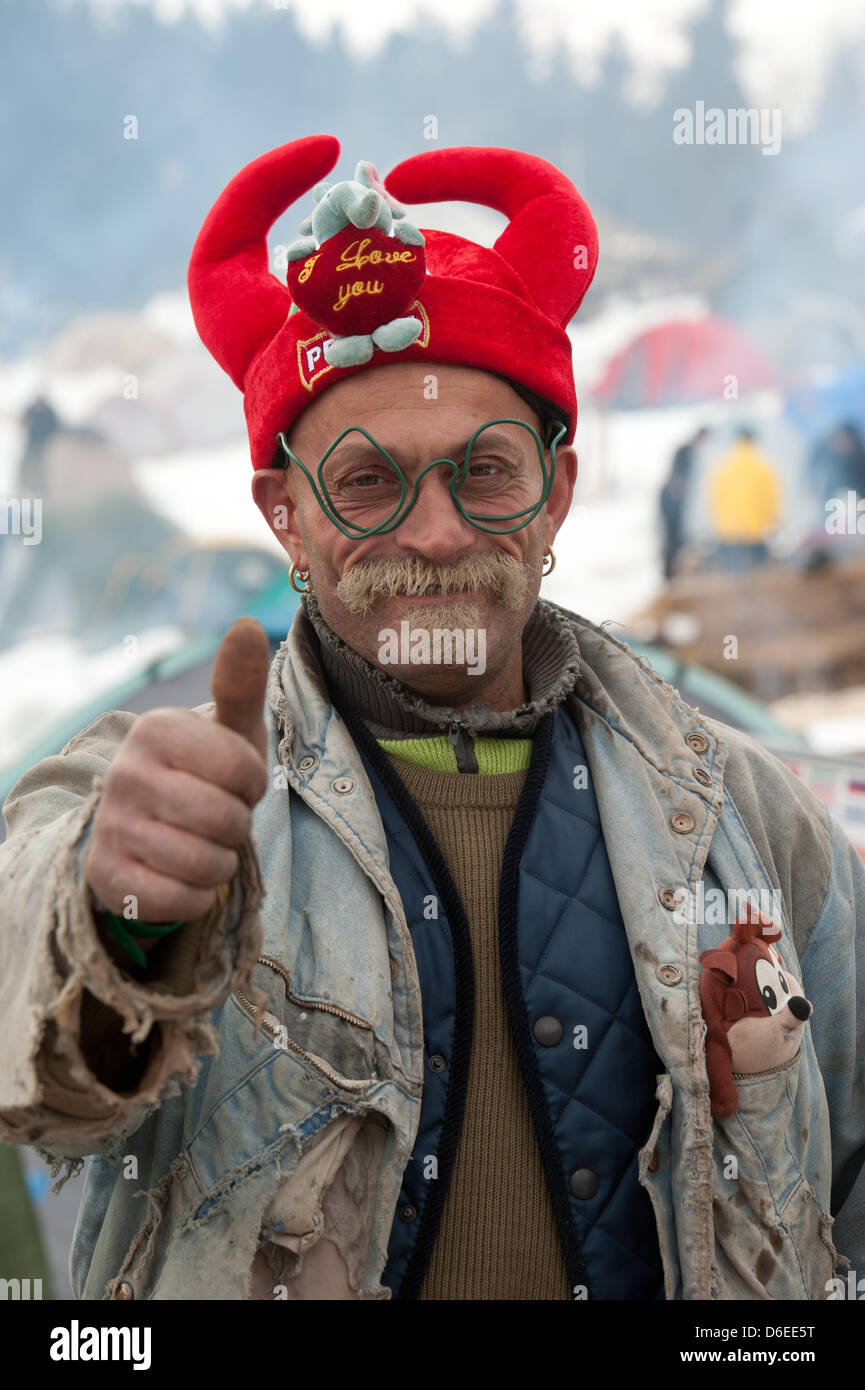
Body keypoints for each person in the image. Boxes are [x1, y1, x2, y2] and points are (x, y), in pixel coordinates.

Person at [1, 135, 863, 1303]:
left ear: (556, 492)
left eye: (487, 471)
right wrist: (125, 915)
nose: (438, 529)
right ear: (284, 516)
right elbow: (39, 1015)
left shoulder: (747, 815)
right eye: (366, 481)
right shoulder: (166, 797)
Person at [707, 426, 783, 572]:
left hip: (728, 531)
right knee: (757, 573)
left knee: (733, 575)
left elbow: (715, 498)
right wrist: (774, 521)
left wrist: (718, 523)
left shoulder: (723, 467)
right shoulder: (763, 466)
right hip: (756, 531)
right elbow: (772, 497)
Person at [659, 426, 707, 580]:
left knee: (678, 540)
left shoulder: (689, 451)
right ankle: (669, 577)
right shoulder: (686, 452)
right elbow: (678, 479)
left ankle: (673, 576)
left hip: (673, 500)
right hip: (671, 501)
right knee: (673, 540)